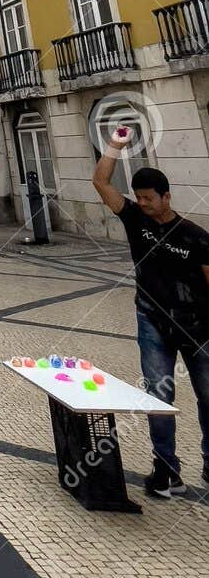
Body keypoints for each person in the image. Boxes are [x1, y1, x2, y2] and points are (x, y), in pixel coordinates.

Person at [92, 128, 209, 498]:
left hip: (198, 327)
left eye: (148, 198)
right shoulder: (134, 220)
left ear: (166, 197)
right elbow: (100, 180)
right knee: (158, 397)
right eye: (138, 197)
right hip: (152, 320)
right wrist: (114, 145)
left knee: (208, 396)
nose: (141, 202)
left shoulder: (196, 237)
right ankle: (166, 469)